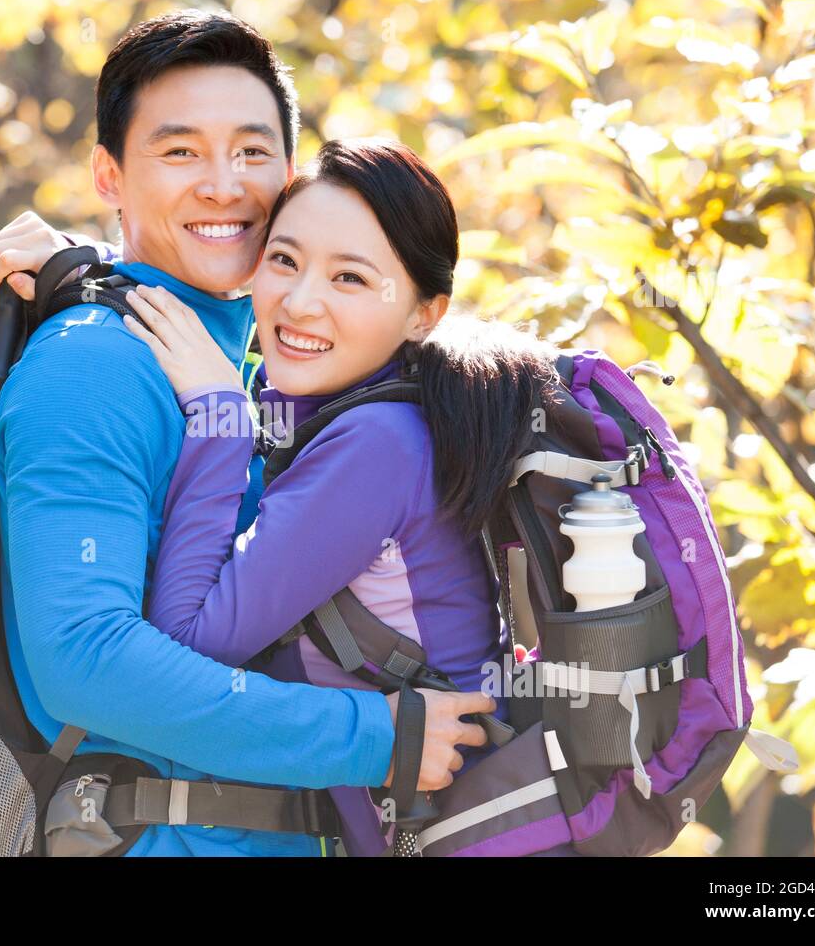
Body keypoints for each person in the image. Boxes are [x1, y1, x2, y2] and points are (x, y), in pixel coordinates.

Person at [0, 10, 494, 856]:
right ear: (109, 176)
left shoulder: (264, 368)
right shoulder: (93, 370)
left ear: (287, 175)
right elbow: (83, 659)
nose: (224, 185)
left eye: (252, 153)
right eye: (179, 152)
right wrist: (379, 735)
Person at [120, 138, 562, 856]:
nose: (299, 302)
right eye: (285, 260)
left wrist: (220, 417)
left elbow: (184, 650)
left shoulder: (378, 444)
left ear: (425, 313)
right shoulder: (380, 413)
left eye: (350, 279)